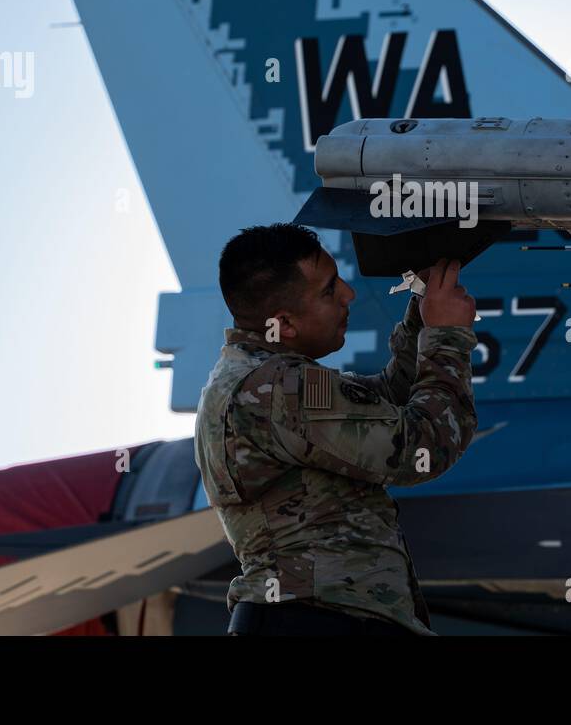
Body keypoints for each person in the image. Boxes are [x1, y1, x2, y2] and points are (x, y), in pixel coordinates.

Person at [194, 223, 478, 635]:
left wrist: (421, 313)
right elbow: (423, 446)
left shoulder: (255, 378)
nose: (349, 294)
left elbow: (382, 405)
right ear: (285, 323)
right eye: (329, 290)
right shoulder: (281, 389)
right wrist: (448, 336)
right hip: (324, 620)